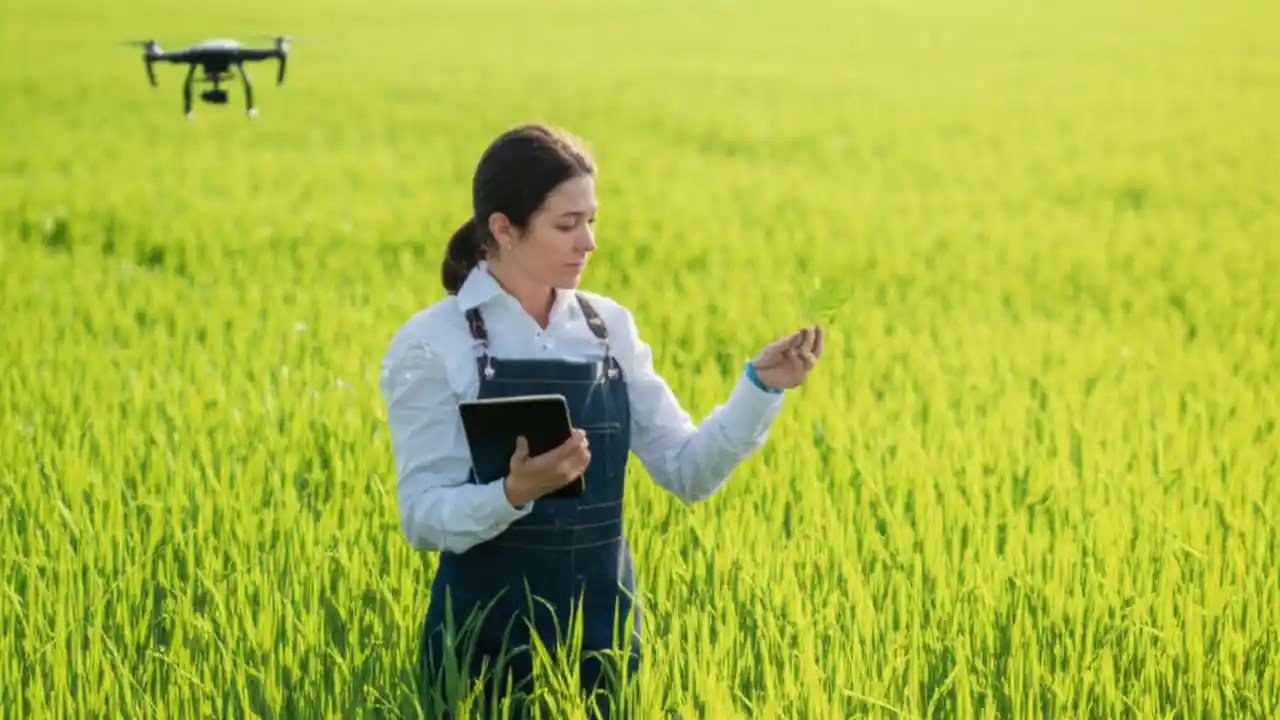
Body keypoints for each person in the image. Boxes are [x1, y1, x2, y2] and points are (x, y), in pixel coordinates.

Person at [379, 123, 824, 718]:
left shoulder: (607, 328)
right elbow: (422, 519)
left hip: (604, 644)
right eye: (567, 225)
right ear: (503, 230)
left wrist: (760, 387)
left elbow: (688, 472)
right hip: (480, 648)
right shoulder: (433, 343)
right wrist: (513, 494)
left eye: (591, 221)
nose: (588, 242)